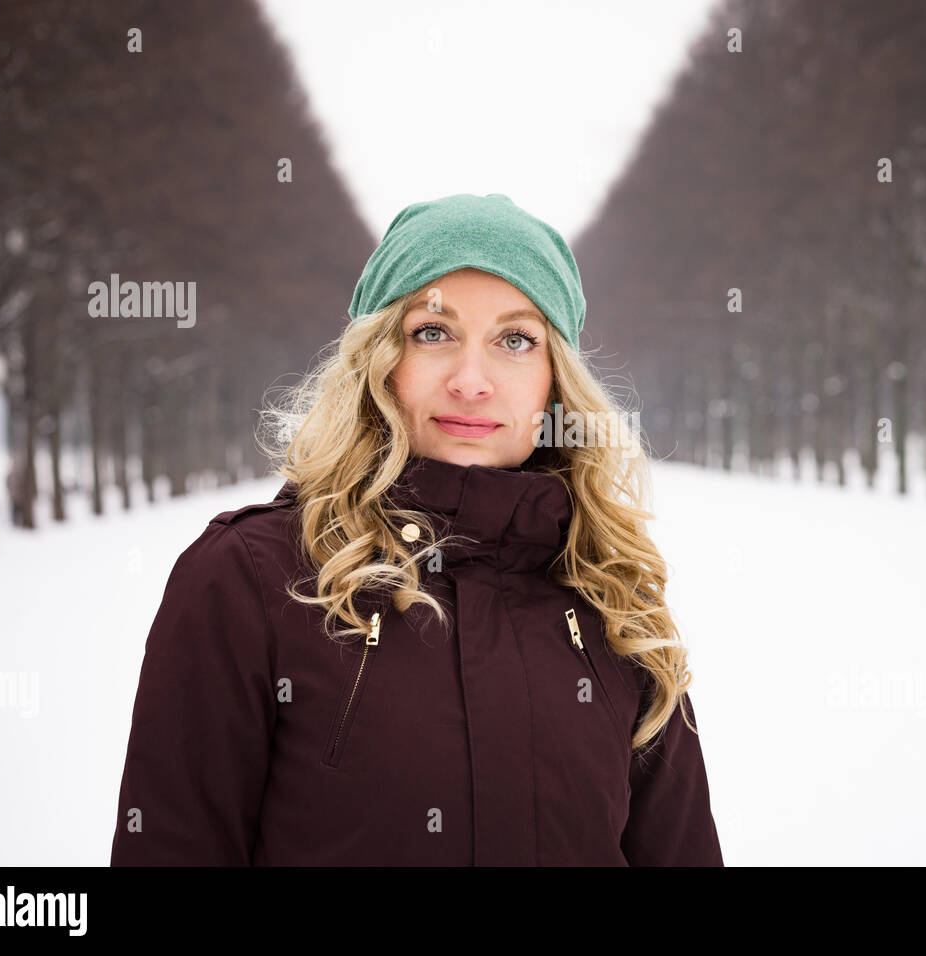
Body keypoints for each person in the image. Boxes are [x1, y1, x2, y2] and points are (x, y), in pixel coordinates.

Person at [109, 193, 722, 866]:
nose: (471, 381)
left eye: (515, 340)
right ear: (380, 361)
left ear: (556, 379)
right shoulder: (248, 580)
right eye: (432, 332)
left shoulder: (615, 599)